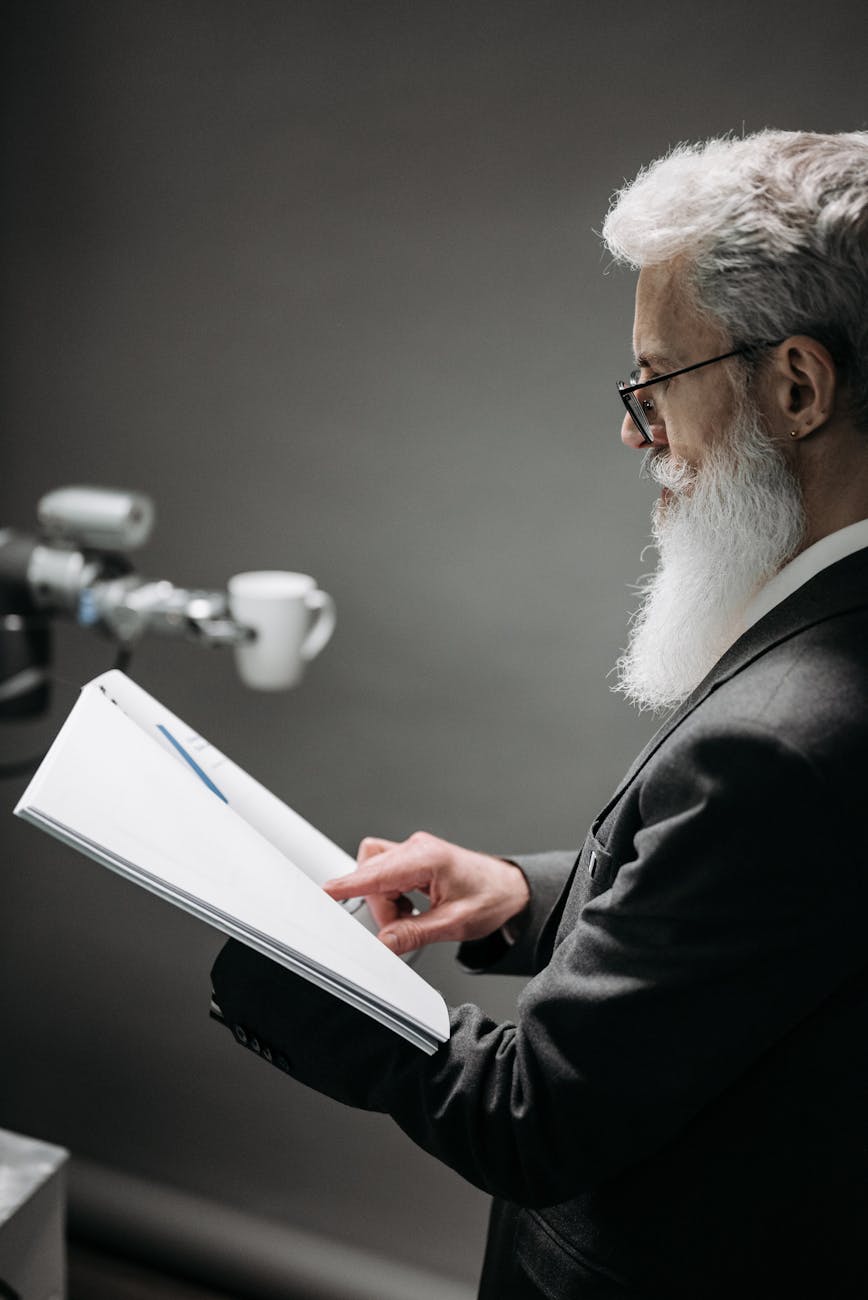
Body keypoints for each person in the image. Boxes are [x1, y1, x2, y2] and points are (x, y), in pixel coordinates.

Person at [210, 130, 868, 1299]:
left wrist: (306, 984)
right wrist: (523, 893)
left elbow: (531, 1118)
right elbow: (778, 906)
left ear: (798, 386)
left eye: (656, 380)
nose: (633, 430)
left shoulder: (786, 735)